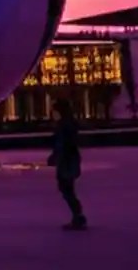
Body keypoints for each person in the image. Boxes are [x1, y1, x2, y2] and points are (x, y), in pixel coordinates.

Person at [48, 98, 86, 230]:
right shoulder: (67, 124)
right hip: (68, 158)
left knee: (66, 188)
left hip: (67, 160)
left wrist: (55, 156)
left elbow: (63, 143)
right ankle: (78, 215)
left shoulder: (64, 125)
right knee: (67, 188)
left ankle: (78, 216)